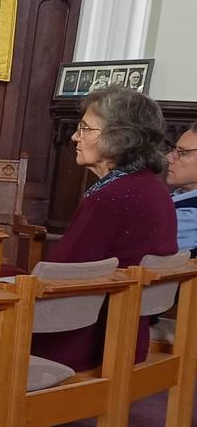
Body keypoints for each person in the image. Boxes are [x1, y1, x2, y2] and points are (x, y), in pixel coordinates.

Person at [32, 86, 177, 371]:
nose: (74, 136)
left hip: (82, 339)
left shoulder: (113, 195)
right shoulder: (151, 187)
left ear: (119, 137)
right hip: (124, 332)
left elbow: (62, 274)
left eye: (85, 128)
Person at [165, 121, 197, 256]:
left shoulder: (191, 213)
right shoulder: (175, 197)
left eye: (182, 153)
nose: (168, 158)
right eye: (174, 151)